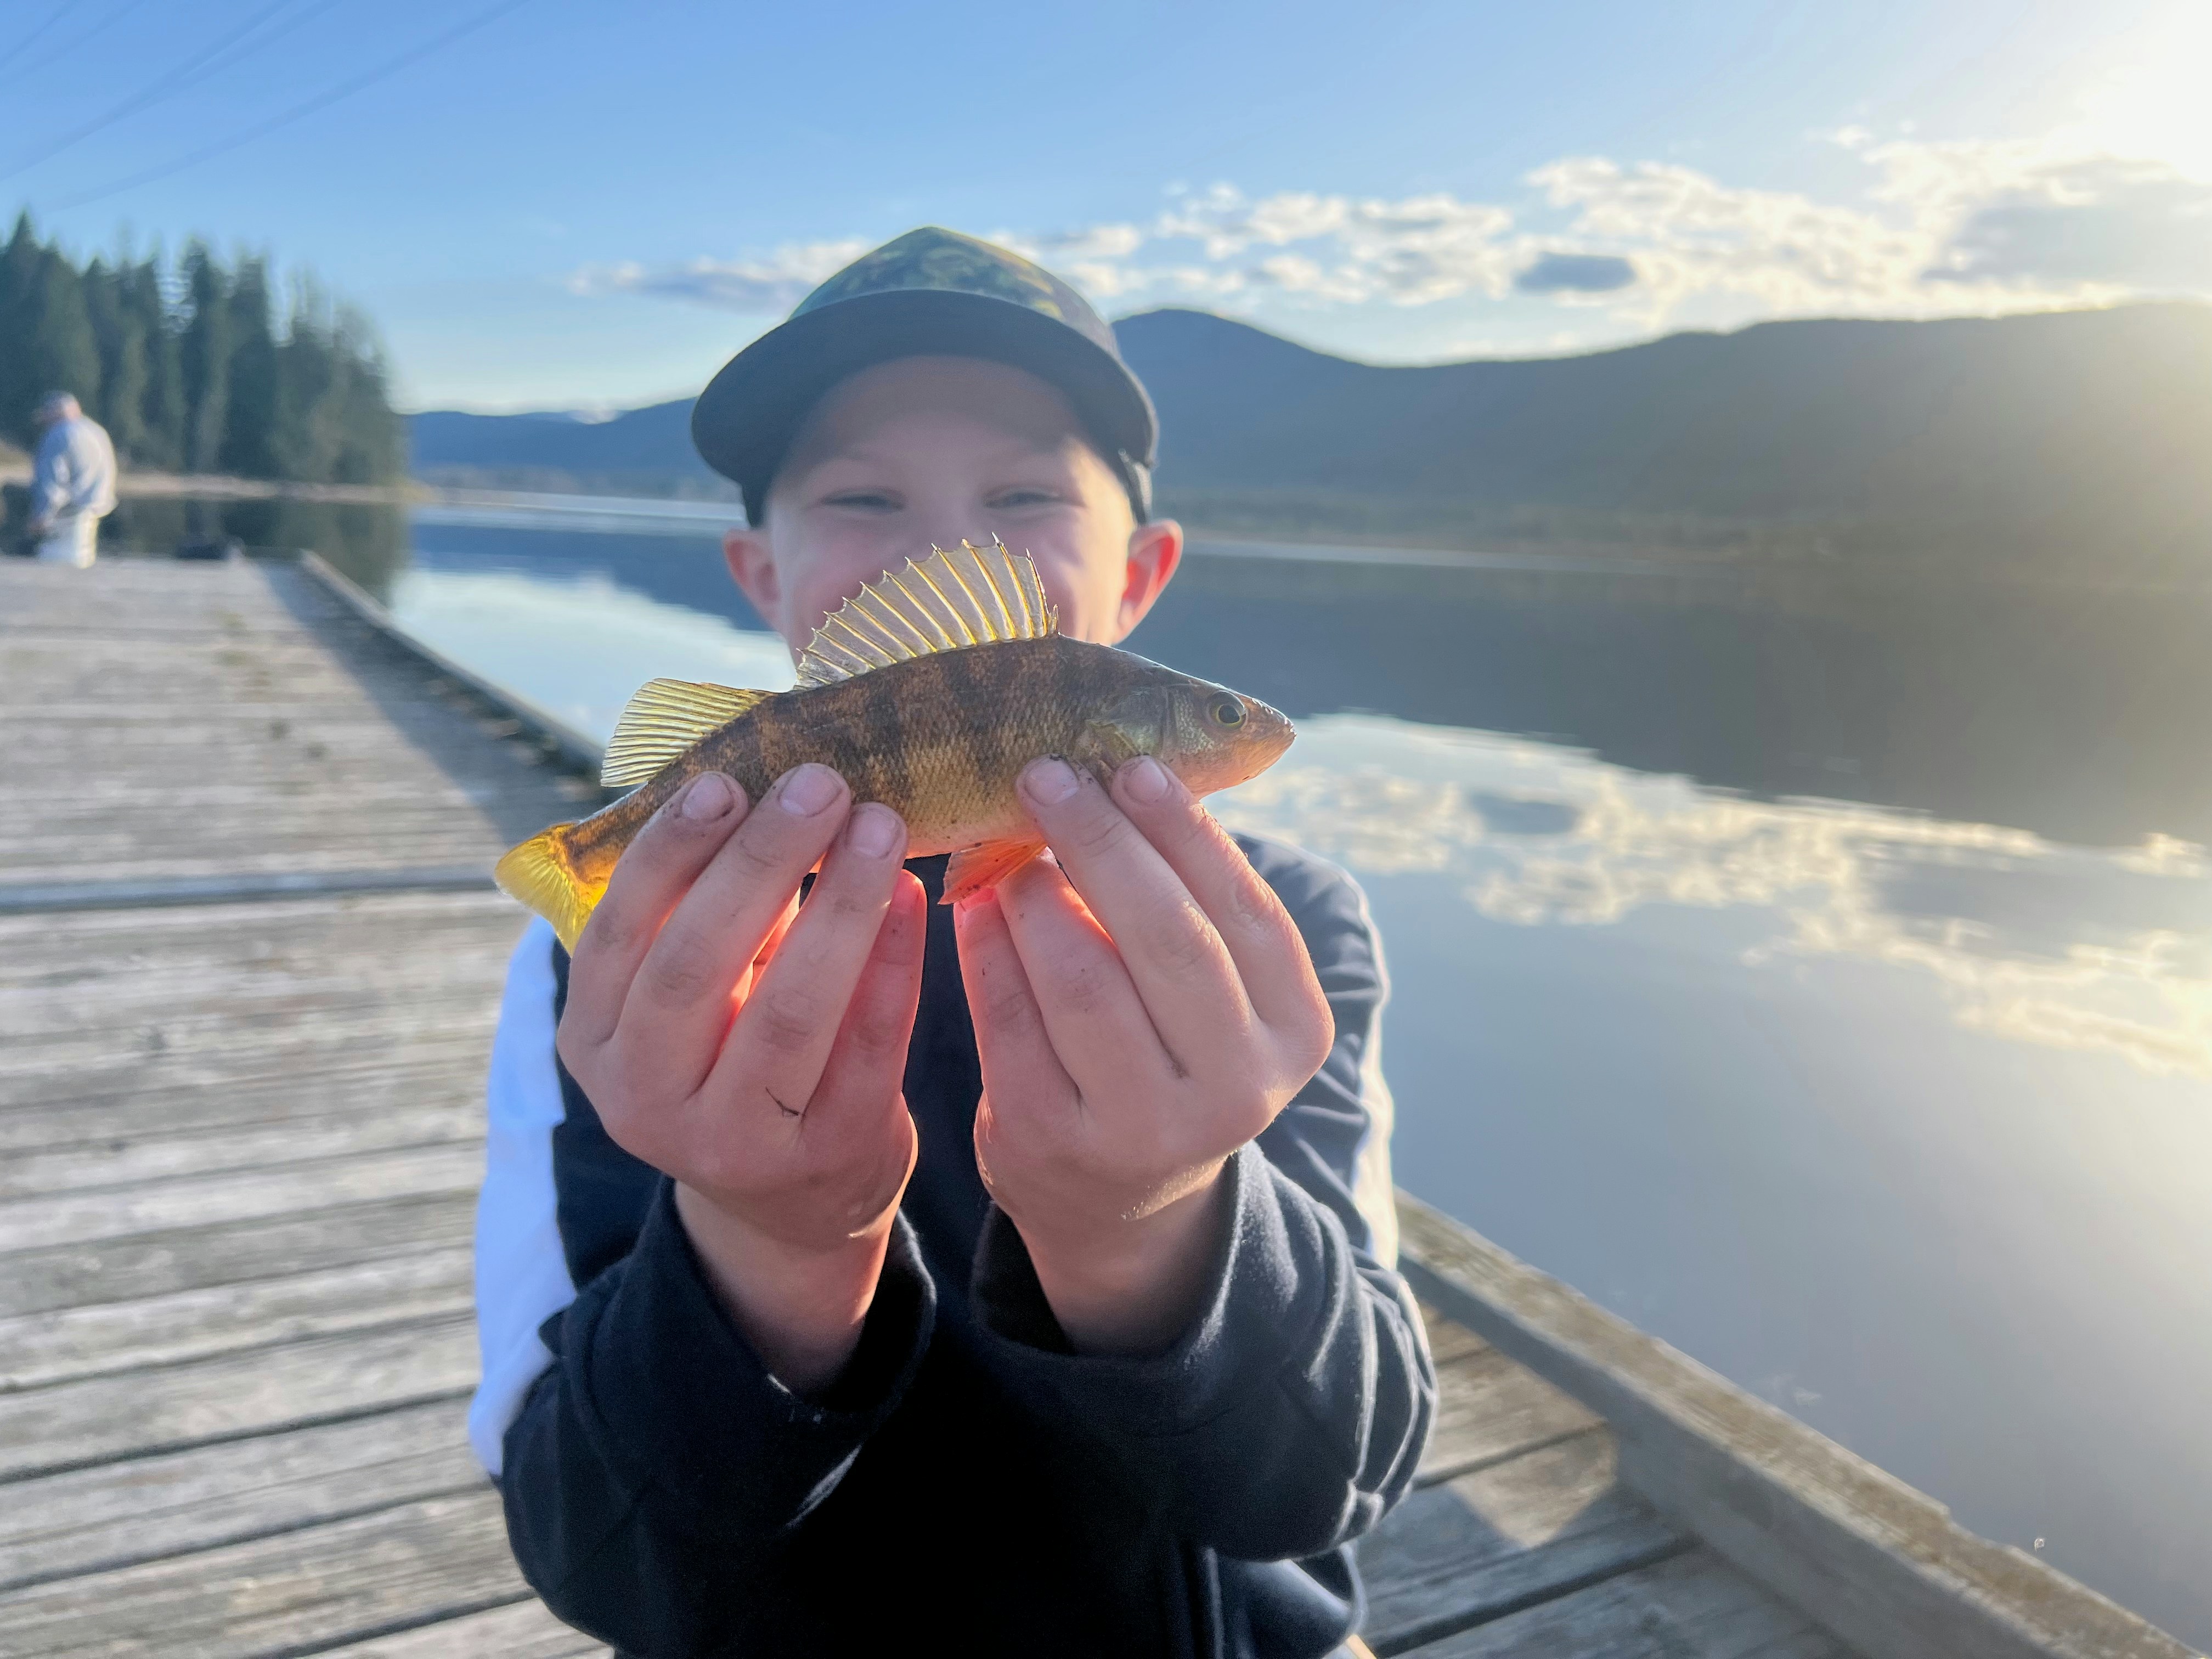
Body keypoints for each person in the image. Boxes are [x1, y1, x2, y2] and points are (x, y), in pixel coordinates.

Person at [469, 227, 1434, 1659]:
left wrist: (1159, 1224)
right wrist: (763, 1243)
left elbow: (1328, 1481)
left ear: (1143, 575)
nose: (947, 550)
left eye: (1027, 494)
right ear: (756, 573)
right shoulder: (617, 965)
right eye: (863, 496)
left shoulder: (1286, 939)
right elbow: (580, 1540)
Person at [25, 392, 117, 568]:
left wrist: (41, 517)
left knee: (55, 571)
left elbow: (52, 483)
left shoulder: (58, 435)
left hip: (65, 517)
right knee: (82, 566)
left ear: (54, 412)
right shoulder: (96, 431)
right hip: (93, 511)